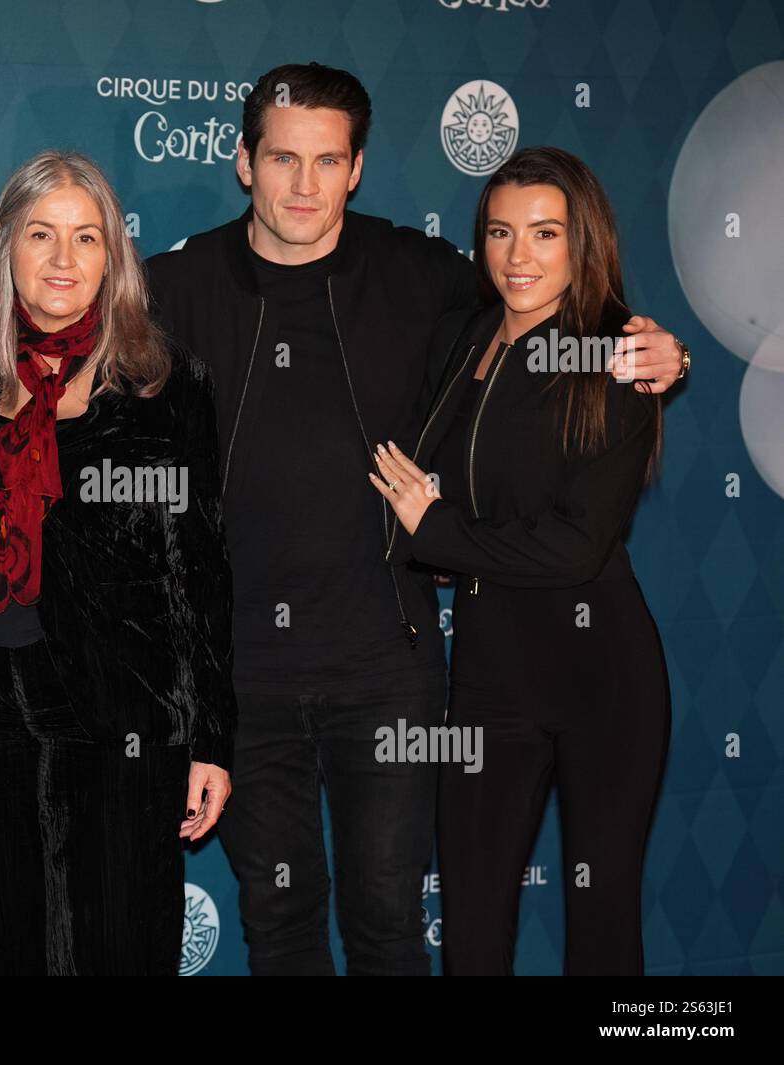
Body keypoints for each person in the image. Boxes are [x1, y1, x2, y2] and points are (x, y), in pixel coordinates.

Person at [145, 62, 688, 975]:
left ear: (357, 169)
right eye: (283, 159)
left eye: (328, 161)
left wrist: (654, 351)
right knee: (280, 930)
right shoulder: (174, 287)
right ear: (244, 162)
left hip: (389, 677)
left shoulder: (427, 275)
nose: (305, 186)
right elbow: (56, 352)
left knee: (392, 928)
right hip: (242, 681)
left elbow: (552, 310)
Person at [371, 147, 670, 974]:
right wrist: (431, 540)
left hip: (602, 676)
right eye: (500, 232)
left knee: (602, 925)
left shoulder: (616, 356)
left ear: (585, 243)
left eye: (545, 233)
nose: (518, 256)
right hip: (488, 677)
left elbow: (576, 547)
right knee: (469, 928)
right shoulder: (464, 331)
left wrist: (435, 532)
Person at [0, 150, 237, 975]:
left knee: (116, 942)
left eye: (86, 237)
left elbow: (199, 570)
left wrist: (211, 736)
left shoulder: (165, 386)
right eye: (41, 235)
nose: (64, 260)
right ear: (5, 248)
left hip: (121, 719)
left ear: (115, 257)